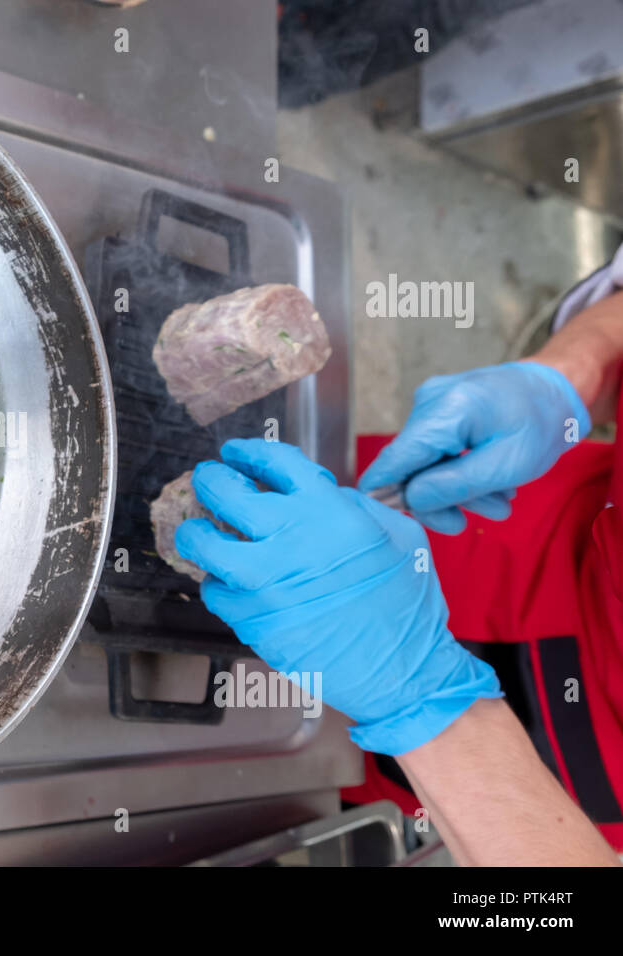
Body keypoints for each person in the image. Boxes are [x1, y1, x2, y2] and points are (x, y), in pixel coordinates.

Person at [175, 258, 623, 866]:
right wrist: (567, 378)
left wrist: (428, 707)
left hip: (516, 785)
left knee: (222, 748)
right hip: (502, 516)